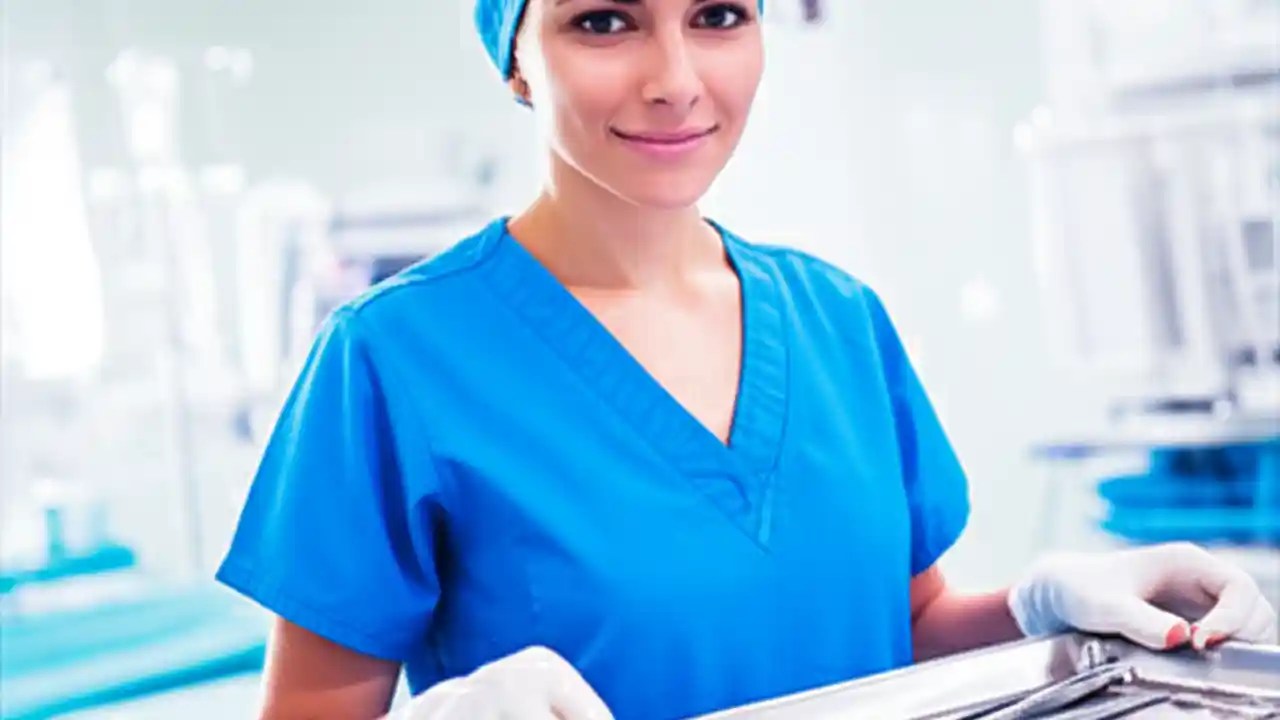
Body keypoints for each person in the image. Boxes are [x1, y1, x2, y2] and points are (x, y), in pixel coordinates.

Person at [215, 1, 1279, 718]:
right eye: (603, 21)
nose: (675, 80)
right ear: (513, 60)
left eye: (718, 14)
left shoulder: (835, 319)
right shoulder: (391, 363)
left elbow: (895, 629)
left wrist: (1042, 610)